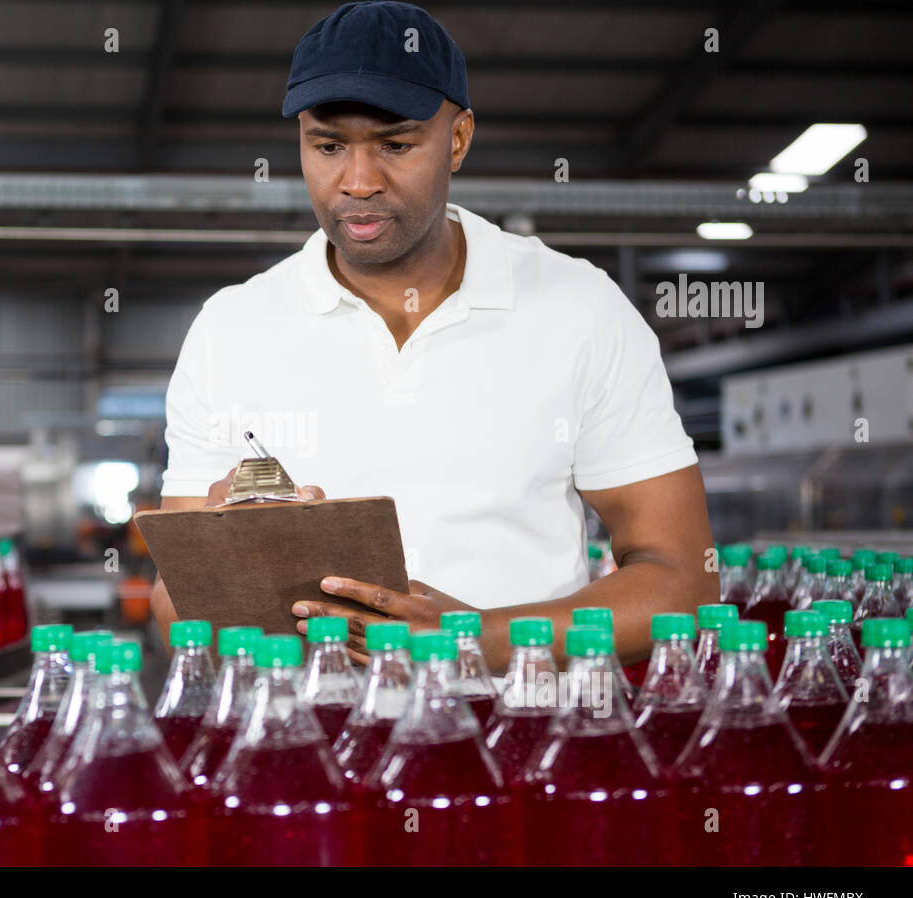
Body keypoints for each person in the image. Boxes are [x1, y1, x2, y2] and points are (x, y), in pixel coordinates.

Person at [152, 1, 718, 667]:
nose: (358, 183)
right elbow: (172, 607)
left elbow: (684, 581)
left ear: (458, 138)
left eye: (396, 145)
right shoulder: (232, 329)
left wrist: (473, 641)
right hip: (310, 748)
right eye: (327, 146)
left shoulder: (579, 307)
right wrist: (225, 566)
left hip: (524, 747)